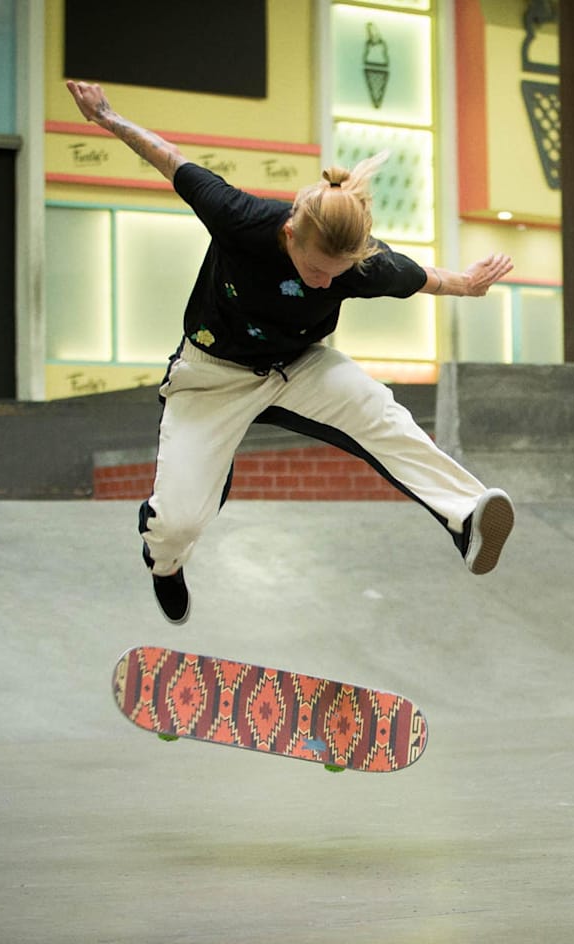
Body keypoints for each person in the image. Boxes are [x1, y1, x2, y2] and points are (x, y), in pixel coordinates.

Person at [66, 80, 517, 625]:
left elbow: (427, 277)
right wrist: (107, 116)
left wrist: (468, 284)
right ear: (291, 235)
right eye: (317, 270)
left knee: (375, 407)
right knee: (178, 522)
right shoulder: (240, 218)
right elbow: (170, 159)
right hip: (211, 375)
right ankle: (165, 562)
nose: (325, 283)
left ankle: (467, 516)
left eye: (336, 275)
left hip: (298, 366)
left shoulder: (361, 267)